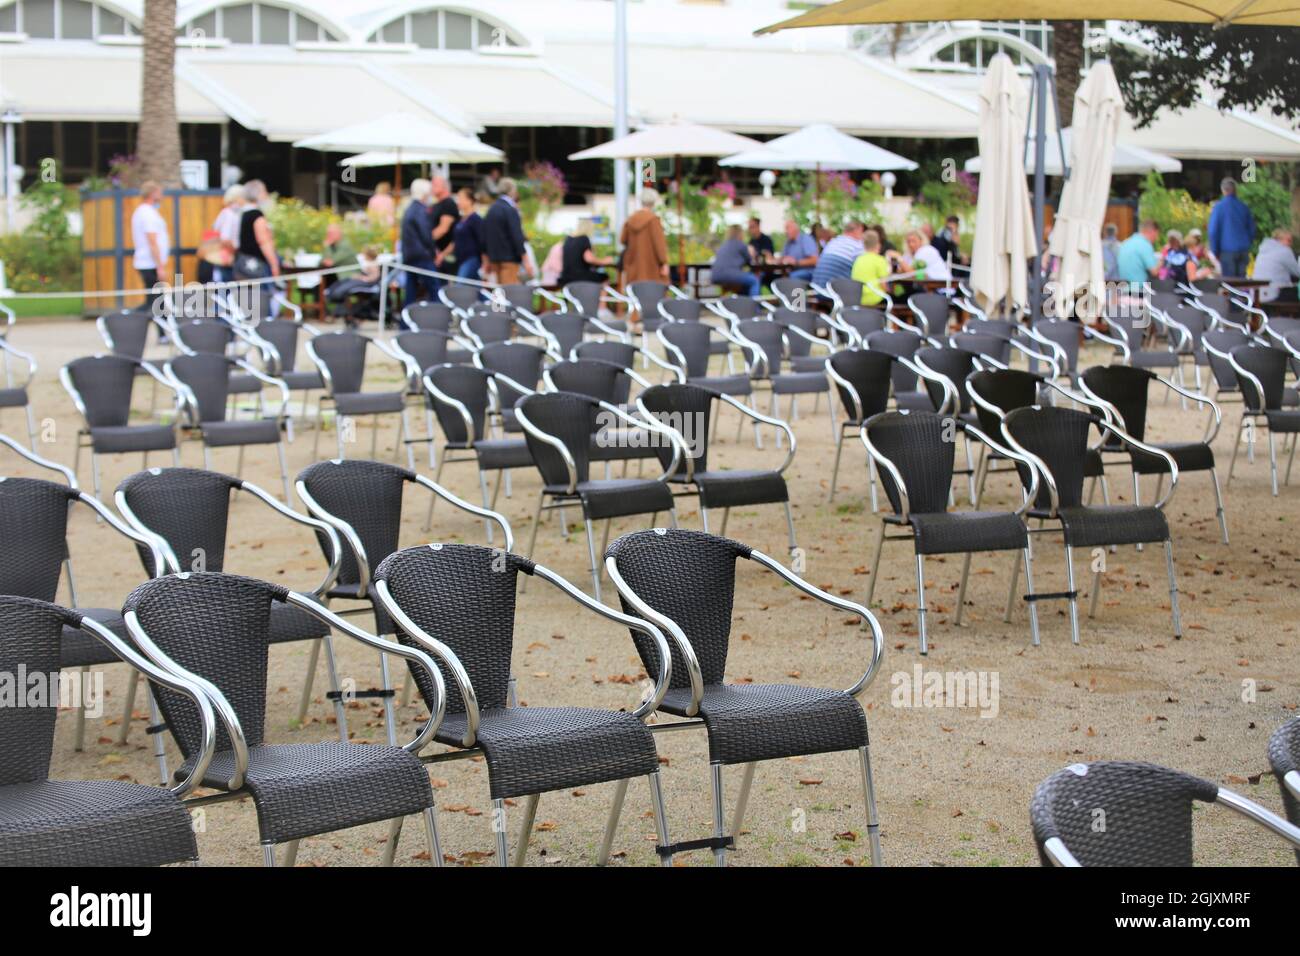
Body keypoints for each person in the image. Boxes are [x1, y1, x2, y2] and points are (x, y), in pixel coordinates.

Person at [235, 179, 280, 317]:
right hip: (256, 265)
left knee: (248, 300)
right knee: (263, 299)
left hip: (242, 262)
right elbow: (263, 241)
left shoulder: (242, 214)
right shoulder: (256, 216)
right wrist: (274, 263)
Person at [131, 181, 169, 312]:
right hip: (149, 263)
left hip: (149, 263)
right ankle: (129, 319)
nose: (162, 196)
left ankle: (162, 331)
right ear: (152, 194)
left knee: (156, 301)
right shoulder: (147, 213)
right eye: (159, 193)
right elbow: (152, 241)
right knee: (156, 302)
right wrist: (160, 266)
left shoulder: (146, 212)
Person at [620, 188, 670, 285]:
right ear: (654, 202)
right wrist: (664, 262)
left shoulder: (630, 220)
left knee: (636, 296)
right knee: (652, 295)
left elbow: (622, 240)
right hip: (651, 267)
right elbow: (659, 245)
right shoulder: (653, 220)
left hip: (633, 266)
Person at [1208, 177, 1255, 278]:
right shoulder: (1243, 207)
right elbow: (1251, 229)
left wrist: (1215, 250)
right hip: (1243, 249)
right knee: (1242, 283)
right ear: (1235, 190)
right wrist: (1247, 243)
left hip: (1227, 250)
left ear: (1223, 190)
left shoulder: (1219, 207)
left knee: (1230, 284)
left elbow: (1213, 231)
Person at [400, 178, 438, 303]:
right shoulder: (420, 210)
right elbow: (426, 235)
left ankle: (406, 321)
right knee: (434, 288)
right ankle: (440, 318)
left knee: (410, 291)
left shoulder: (410, 209)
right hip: (421, 256)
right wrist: (433, 253)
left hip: (409, 255)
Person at [484, 177, 527, 285]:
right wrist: (525, 258)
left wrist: (487, 258)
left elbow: (485, 235)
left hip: (494, 259)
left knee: (500, 294)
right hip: (509, 259)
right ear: (512, 190)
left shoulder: (491, 209)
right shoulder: (510, 209)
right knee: (509, 294)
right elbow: (517, 235)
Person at [811, 220, 866, 288]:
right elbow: (865, 267)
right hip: (835, 292)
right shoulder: (858, 246)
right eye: (863, 232)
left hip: (817, 288)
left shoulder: (833, 242)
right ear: (858, 230)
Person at [559, 219, 614, 286]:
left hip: (565, 277)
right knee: (605, 277)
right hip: (580, 276)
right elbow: (589, 259)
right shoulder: (583, 238)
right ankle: (600, 296)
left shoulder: (568, 239)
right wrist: (604, 261)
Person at [711, 224, 760, 297]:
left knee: (743, 283)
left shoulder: (723, 245)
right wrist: (752, 254)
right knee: (754, 281)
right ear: (740, 234)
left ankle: (740, 304)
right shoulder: (741, 244)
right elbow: (749, 261)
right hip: (730, 275)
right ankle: (753, 307)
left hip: (715, 276)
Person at [1252, 229, 1300, 303]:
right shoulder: (1285, 251)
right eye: (1289, 240)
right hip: (1275, 294)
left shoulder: (1263, 250)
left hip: (1257, 295)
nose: (1291, 244)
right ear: (1279, 239)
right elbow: (1298, 272)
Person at [449, 187, 486, 282]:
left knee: (460, 286)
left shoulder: (476, 220)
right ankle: (486, 297)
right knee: (475, 288)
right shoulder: (460, 220)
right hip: (461, 259)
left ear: (469, 201)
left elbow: (482, 241)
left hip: (472, 259)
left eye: (461, 199)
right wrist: (442, 255)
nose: (458, 202)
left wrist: (485, 262)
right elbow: (455, 241)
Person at [428, 175, 459, 289]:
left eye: (435, 185)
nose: (432, 187)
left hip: (445, 254)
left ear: (444, 187)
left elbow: (443, 229)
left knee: (442, 287)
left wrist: (425, 240)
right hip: (436, 252)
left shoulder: (449, 204)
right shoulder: (436, 205)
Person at [1116, 219, 1162, 287]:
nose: (1156, 238)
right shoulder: (1145, 244)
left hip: (1121, 287)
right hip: (1138, 291)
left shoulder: (1126, 242)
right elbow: (1154, 272)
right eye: (1157, 234)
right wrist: (1162, 261)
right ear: (1152, 231)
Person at [850, 230, 892, 306]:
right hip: (875, 298)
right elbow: (883, 284)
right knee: (896, 298)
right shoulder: (880, 260)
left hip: (858, 298)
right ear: (878, 244)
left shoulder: (858, 259)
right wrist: (890, 291)